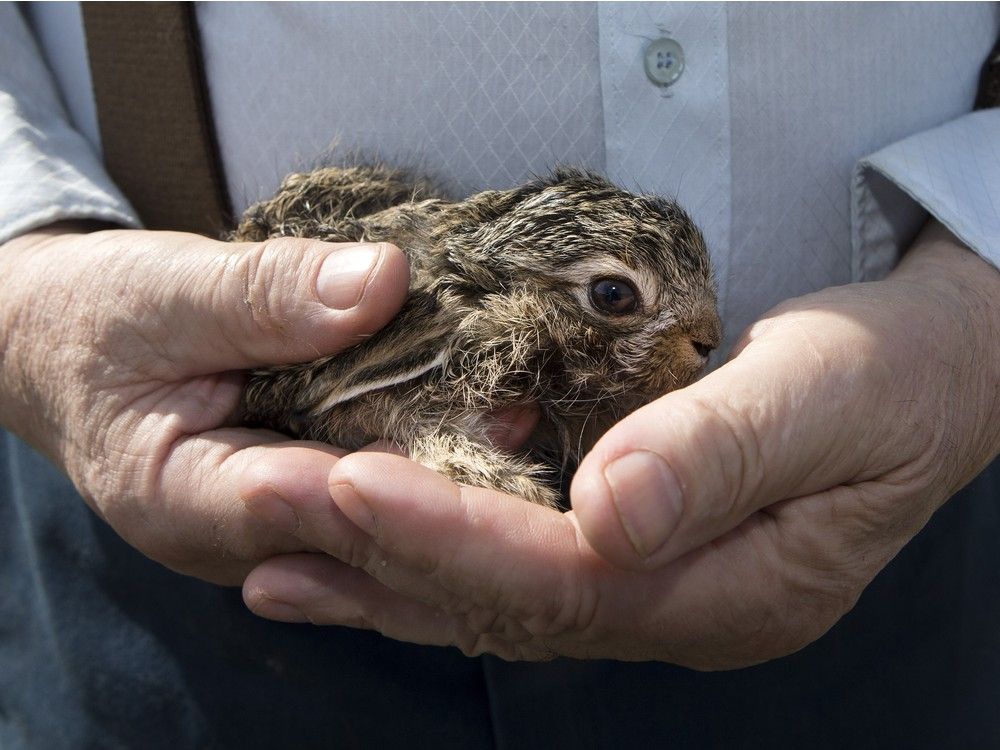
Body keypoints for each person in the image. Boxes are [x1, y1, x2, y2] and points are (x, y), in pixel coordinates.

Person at [1, 3, 998, 748]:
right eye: (615, 299)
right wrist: (25, 279)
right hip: (172, 496)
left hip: (905, 492)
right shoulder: (468, 340)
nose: (704, 337)